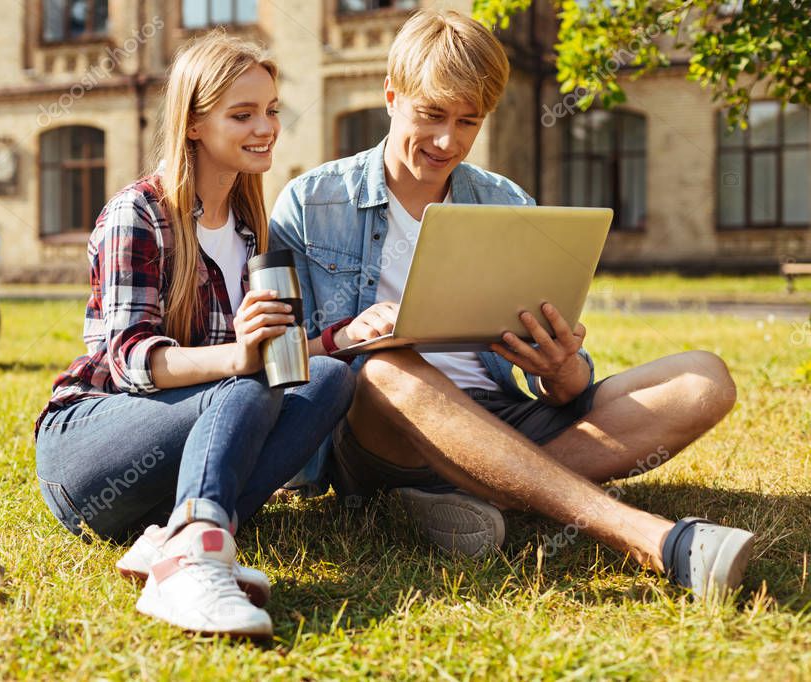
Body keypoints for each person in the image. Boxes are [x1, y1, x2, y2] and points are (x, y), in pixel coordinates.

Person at [270, 9, 754, 599]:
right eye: (432, 115)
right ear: (391, 96)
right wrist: (347, 339)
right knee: (384, 370)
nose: (448, 140)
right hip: (382, 431)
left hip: (502, 413)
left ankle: (474, 492)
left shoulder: (506, 202)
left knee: (704, 378)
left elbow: (565, 384)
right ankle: (653, 539)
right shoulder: (309, 202)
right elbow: (278, 361)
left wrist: (563, 372)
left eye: (469, 121)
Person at [34, 33, 354, 638]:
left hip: (174, 461)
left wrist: (347, 336)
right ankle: (192, 561)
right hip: (89, 454)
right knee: (246, 381)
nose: (266, 127)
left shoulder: (252, 229)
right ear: (194, 125)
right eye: (242, 114)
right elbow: (130, 360)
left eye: (271, 110)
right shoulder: (140, 214)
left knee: (331, 379)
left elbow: (270, 359)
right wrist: (241, 356)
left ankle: (176, 534)